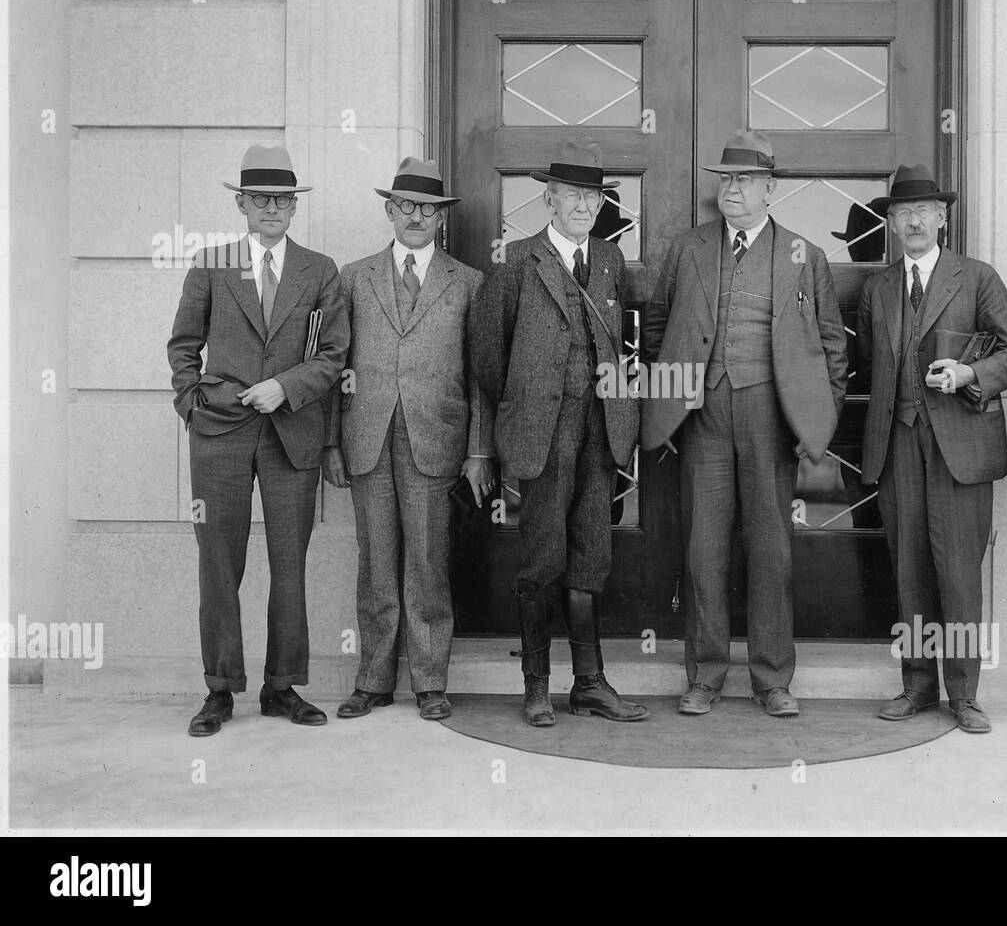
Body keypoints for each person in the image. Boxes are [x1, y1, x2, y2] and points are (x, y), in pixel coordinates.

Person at [641, 129, 848, 718]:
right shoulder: (688, 249)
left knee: (771, 548)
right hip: (702, 414)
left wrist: (814, 414)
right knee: (703, 547)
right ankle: (704, 675)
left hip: (770, 418)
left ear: (768, 188)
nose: (731, 189)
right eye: (725, 179)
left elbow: (833, 347)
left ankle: (773, 678)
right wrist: (673, 401)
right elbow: (658, 330)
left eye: (744, 180)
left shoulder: (803, 255)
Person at [167, 144, 347, 736]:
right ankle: (219, 689)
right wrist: (194, 405)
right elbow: (183, 346)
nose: (273, 207)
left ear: (294, 207)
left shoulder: (319, 270)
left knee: (289, 562)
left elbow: (333, 354)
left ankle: (281, 686)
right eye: (261, 198)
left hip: (292, 431)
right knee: (219, 562)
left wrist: (285, 387)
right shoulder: (212, 263)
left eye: (284, 199)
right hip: (220, 433)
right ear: (242, 203)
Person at [470, 140, 647, 727]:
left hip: (601, 431)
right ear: (548, 198)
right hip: (541, 433)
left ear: (601, 205)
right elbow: (489, 359)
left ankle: (590, 683)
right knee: (541, 555)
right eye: (571, 194)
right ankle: (538, 684)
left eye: (592, 196)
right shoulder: (516, 261)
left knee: (592, 554)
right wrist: (526, 406)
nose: (582, 205)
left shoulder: (610, 261)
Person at [856, 164, 1007, 733]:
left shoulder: (976, 277)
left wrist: (968, 373)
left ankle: (965, 694)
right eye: (902, 213)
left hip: (960, 448)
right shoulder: (878, 288)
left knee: (958, 573)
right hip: (897, 444)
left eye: (923, 211)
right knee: (910, 572)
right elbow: (867, 367)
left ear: (942, 217)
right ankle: (916, 686)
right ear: (890, 223)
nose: (913, 221)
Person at [322, 158, 494, 722]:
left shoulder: (468, 282)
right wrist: (330, 444)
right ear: (389, 211)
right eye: (406, 206)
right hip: (366, 438)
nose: (417, 217)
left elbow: (478, 377)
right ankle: (372, 680)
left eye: (429, 209)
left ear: (441, 218)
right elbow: (331, 364)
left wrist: (477, 450)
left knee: (426, 563)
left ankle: (429, 681)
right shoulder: (352, 277)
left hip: (436, 441)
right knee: (375, 562)